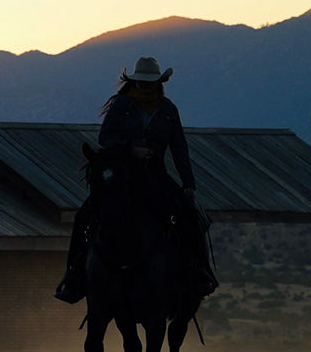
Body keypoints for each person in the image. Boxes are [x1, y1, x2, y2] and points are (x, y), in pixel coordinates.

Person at [53, 57, 217, 303]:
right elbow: (105, 138)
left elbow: (179, 149)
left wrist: (189, 184)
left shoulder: (168, 110)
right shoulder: (122, 105)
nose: (146, 86)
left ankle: (199, 273)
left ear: (158, 83)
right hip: (123, 175)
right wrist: (132, 150)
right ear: (135, 82)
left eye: (150, 83)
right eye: (142, 82)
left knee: (190, 214)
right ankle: (73, 276)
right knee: (84, 216)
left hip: (156, 176)